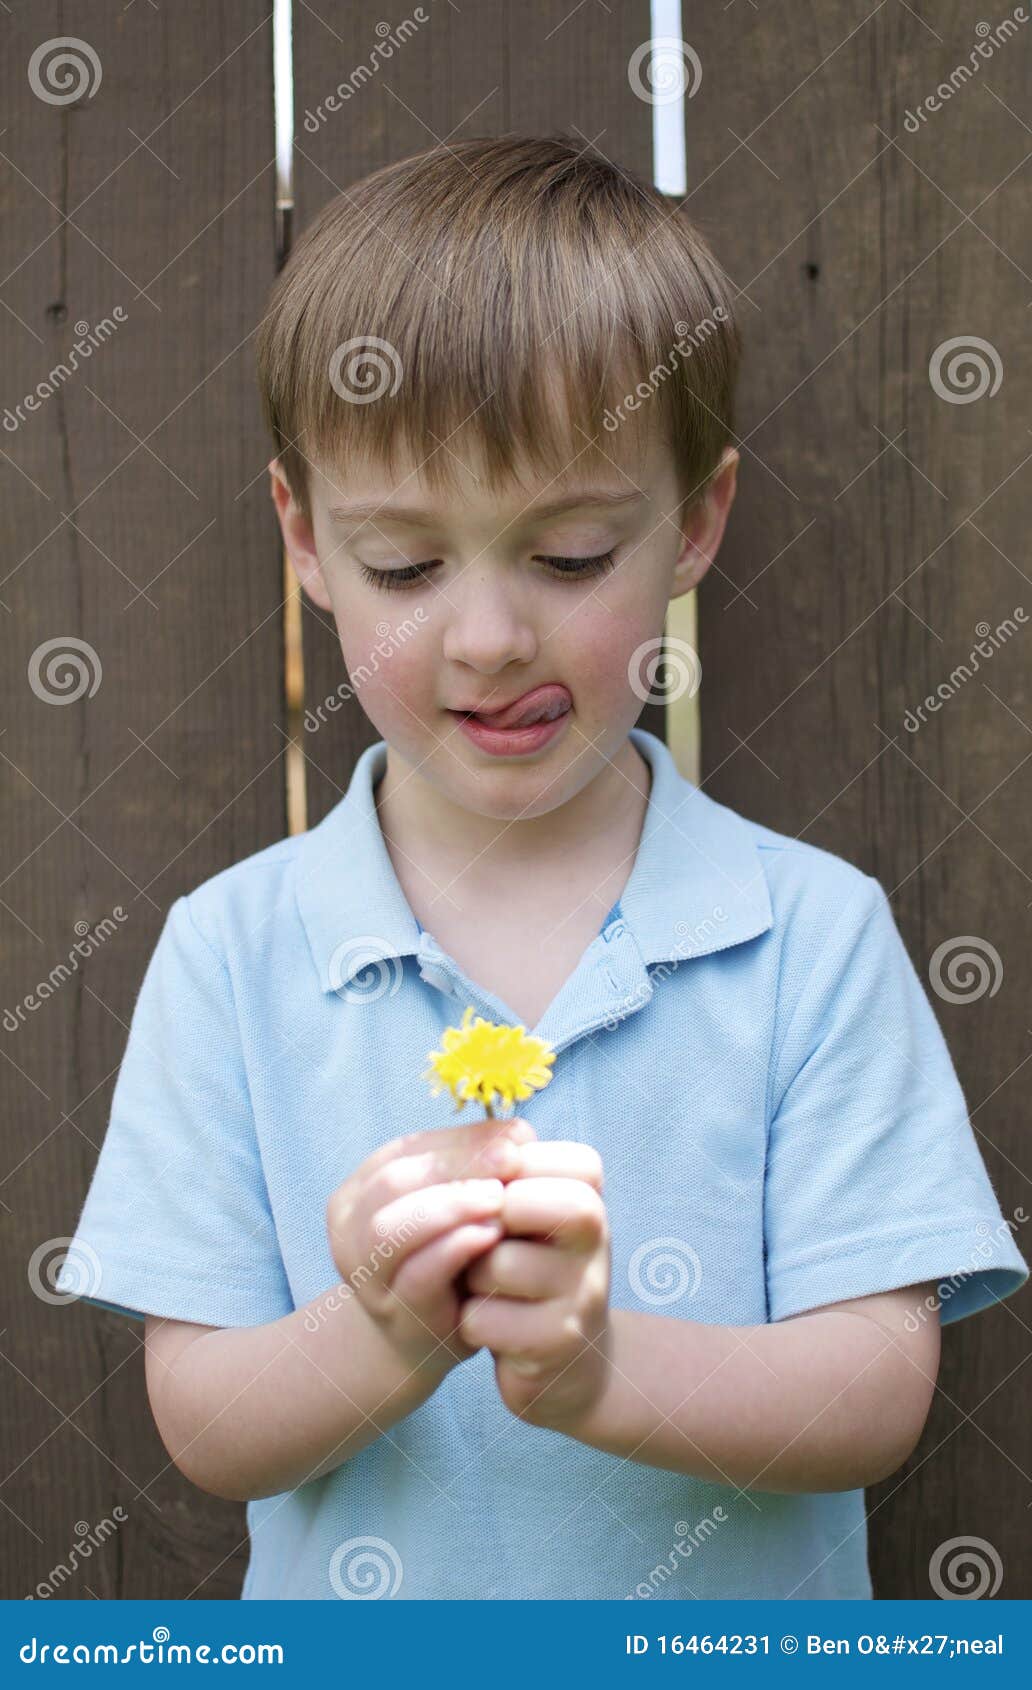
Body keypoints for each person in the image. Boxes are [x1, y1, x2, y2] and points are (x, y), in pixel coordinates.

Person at [58, 134, 1028, 1601]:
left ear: (695, 522)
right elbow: (205, 1419)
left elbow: (875, 1391)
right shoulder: (233, 950)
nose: (489, 637)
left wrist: (596, 1370)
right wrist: (384, 1331)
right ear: (304, 536)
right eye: (404, 566)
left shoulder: (808, 934)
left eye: (569, 555)